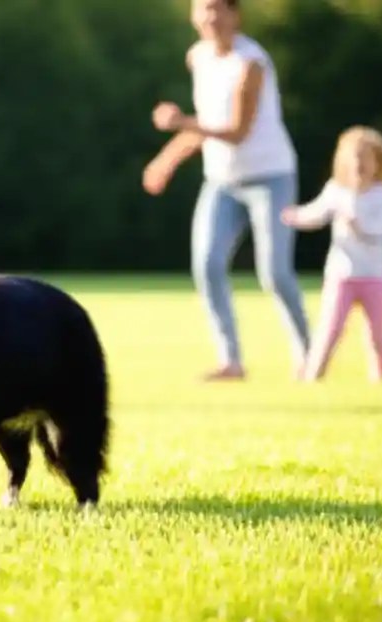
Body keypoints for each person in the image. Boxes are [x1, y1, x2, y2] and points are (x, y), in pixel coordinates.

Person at [144, 0, 310, 381]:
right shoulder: (198, 57)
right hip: (222, 180)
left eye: (220, 8)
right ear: (193, 15)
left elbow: (237, 130)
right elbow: (206, 124)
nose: (211, 17)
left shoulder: (251, 62)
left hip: (271, 176)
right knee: (207, 264)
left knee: (274, 273)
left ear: (236, 15)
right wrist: (167, 159)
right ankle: (230, 361)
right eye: (204, 8)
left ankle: (308, 354)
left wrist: (180, 122)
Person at [282, 126, 382, 383]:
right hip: (341, 274)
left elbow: (379, 232)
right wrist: (294, 217)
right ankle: (314, 375)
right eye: (354, 158)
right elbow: (316, 213)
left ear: (377, 162)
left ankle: (380, 377)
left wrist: (357, 224)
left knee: (376, 333)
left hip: (373, 276)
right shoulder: (336, 191)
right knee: (330, 329)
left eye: (365, 157)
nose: (359, 164)